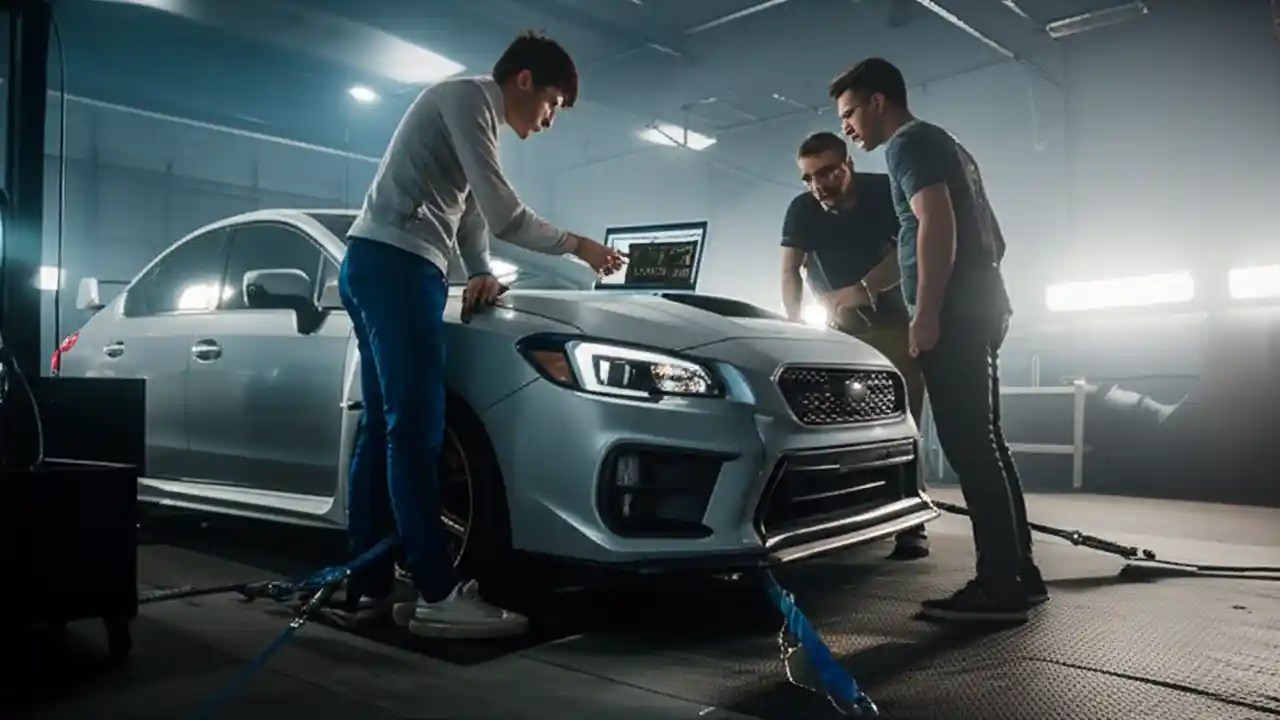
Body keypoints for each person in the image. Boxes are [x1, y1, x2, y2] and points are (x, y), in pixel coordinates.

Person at [337, 31, 625, 639]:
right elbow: (502, 213)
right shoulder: (469, 99)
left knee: (383, 424)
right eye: (551, 104)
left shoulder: (466, 111)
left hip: (372, 261)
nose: (548, 121)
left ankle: (368, 583)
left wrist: (481, 273)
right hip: (399, 265)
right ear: (525, 81)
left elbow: (466, 214)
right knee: (415, 429)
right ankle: (438, 594)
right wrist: (579, 246)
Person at [826, 57, 1046, 622]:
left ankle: (998, 586)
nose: (847, 126)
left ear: (879, 102)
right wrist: (871, 287)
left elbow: (936, 224)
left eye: (850, 113)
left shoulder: (906, 144)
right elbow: (987, 235)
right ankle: (1020, 574)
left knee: (970, 447)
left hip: (955, 314)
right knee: (988, 443)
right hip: (982, 302)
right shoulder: (944, 143)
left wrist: (927, 312)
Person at [780, 130, 929, 561]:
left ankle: (911, 525)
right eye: (808, 177)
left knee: (904, 426)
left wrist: (861, 289)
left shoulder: (885, 192)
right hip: (837, 335)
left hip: (896, 326)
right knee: (832, 427)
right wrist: (792, 326)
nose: (818, 185)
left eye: (827, 172)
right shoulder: (802, 209)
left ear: (848, 164)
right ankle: (837, 518)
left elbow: (911, 248)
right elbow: (790, 270)